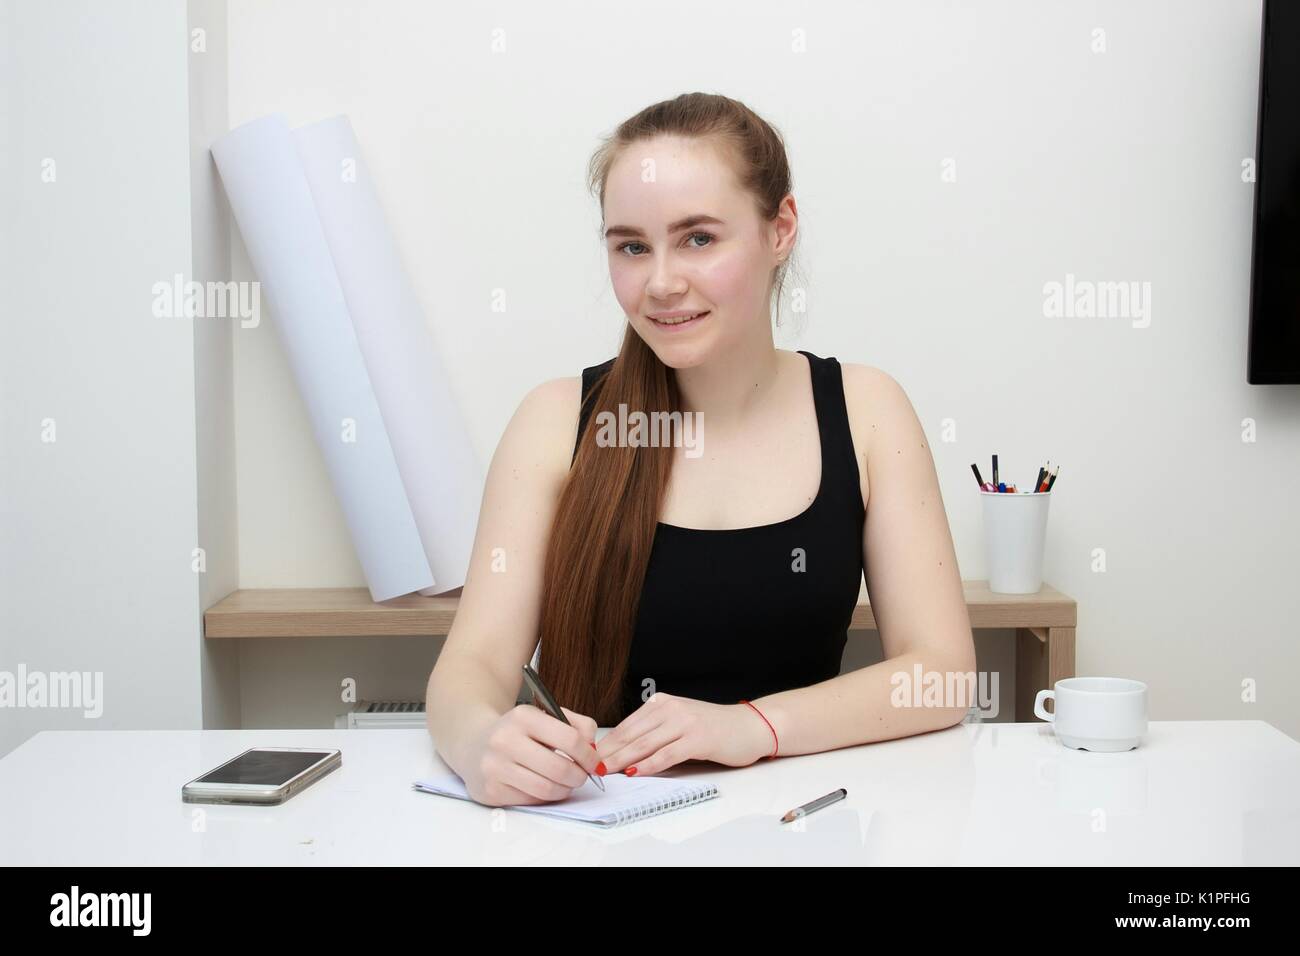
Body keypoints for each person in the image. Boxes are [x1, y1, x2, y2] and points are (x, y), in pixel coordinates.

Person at [426, 92, 975, 808]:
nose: (660, 283)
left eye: (698, 239)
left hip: (797, 829)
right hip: (600, 835)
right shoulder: (555, 422)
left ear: (780, 230)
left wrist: (751, 727)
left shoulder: (866, 411)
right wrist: (479, 745)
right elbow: (471, 667)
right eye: (631, 246)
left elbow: (941, 673)